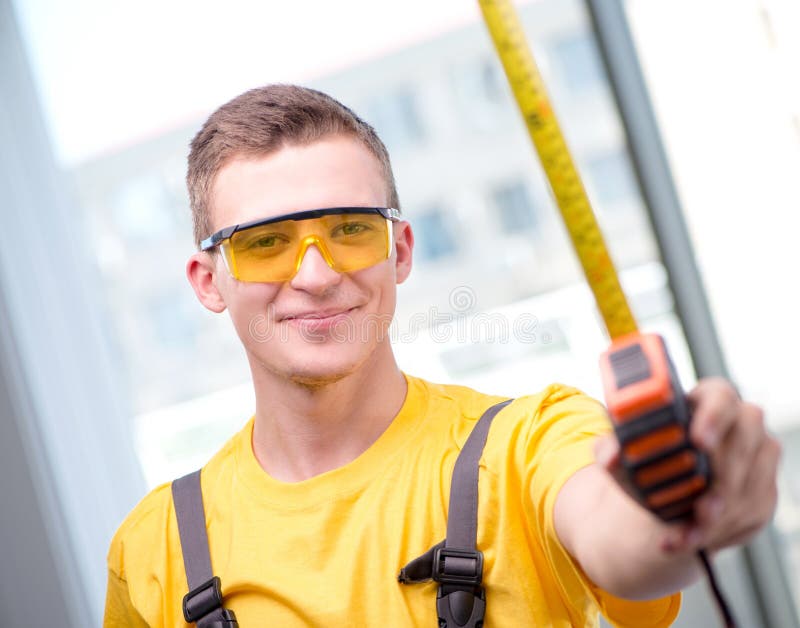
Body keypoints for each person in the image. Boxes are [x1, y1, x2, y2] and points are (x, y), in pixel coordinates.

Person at [103, 84, 780, 627]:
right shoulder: (154, 547)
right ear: (207, 282)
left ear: (399, 251)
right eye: (265, 244)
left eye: (350, 230)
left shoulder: (526, 444)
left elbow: (622, 540)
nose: (315, 274)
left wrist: (674, 507)